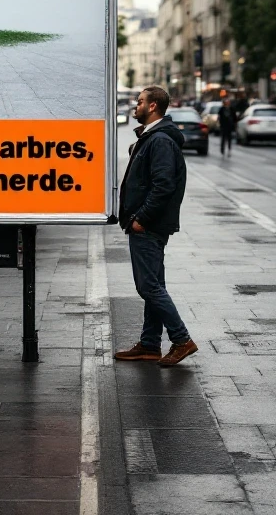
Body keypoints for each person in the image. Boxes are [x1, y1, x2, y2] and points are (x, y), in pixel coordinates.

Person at [114, 85, 198, 367]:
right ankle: (150, 344)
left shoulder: (160, 140)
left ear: (153, 106)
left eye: (139, 102)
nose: (135, 106)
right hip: (148, 223)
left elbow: (163, 185)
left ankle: (182, 339)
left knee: (148, 286)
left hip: (149, 225)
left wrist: (142, 219)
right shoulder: (152, 137)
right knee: (154, 284)